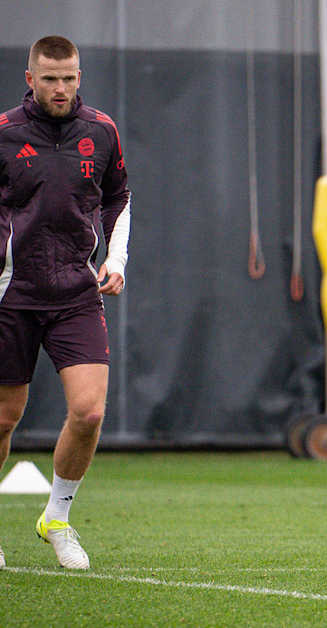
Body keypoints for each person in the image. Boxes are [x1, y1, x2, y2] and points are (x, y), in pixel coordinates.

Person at [0, 35, 131, 570]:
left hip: (76, 291)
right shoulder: (5, 134)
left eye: (69, 78)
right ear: (30, 79)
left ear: (80, 77)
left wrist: (116, 260)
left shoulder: (101, 131)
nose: (61, 88)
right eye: (50, 78)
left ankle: (56, 518)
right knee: (4, 418)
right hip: (11, 294)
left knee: (89, 410)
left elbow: (119, 197)